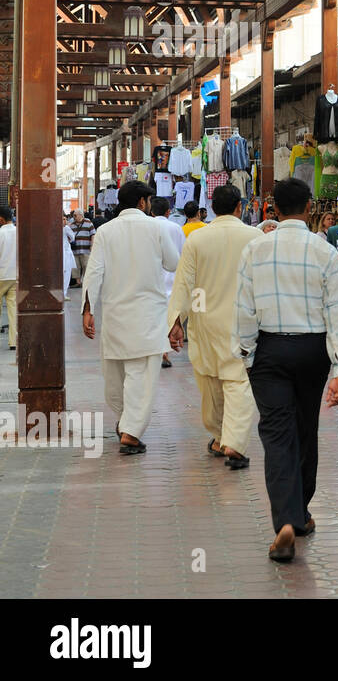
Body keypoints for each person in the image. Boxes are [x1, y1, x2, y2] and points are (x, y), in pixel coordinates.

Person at [234, 178, 338, 563]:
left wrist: (247, 352)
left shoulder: (255, 248)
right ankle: (300, 513)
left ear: (274, 209)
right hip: (313, 351)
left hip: (269, 350)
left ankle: (286, 518)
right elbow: (337, 310)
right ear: (307, 208)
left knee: (277, 433)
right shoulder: (325, 251)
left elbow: (245, 309)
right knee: (305, 428)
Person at [81, 180, 181, 454]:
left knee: (115, 376)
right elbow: (173, 263)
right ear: (142, 202)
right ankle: (131, 432)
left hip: (114, 315)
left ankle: (126, 421)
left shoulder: (105, 231)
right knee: (141, 376)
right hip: (148, 315)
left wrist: (88, 309)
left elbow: (94, 272)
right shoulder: (156, 228)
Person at [168, 185, 262, 470]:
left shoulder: (197, 238)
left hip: (204, 318)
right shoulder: (255, 237)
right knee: (238, 382)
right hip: (243, 320)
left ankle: (220, 436)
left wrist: (175, 322)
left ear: (211, 209)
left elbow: (184, 282)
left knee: (209, 380)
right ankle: (232, 441)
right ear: (239, 207)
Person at [151, 196, 186, 369]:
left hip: (152, 280)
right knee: (169, 318)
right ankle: (165, 351)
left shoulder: (147, 227)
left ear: (150, 211)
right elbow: (182, 253)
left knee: (155, 318)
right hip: (172, 280)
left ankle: (159, 351)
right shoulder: (176, 228)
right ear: (168, 211)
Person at [0, 207, 15, 350]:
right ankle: (13, 342)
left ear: (1, 219)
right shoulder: (18, 232)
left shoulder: (0, 233)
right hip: (15, 276)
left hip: (1, 275)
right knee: (12, 308)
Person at [68, 208, 95, 286]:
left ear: (81, 215)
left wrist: (91, 245)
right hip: (75, 250)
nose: (74, 217)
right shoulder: (72, 224)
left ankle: (85, 281)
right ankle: (78, 282)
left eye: (75, 215)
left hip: (85, 249)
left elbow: (93, 234)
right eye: (73, 215)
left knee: (86, 265)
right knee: (75, 266)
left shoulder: (88, 222)